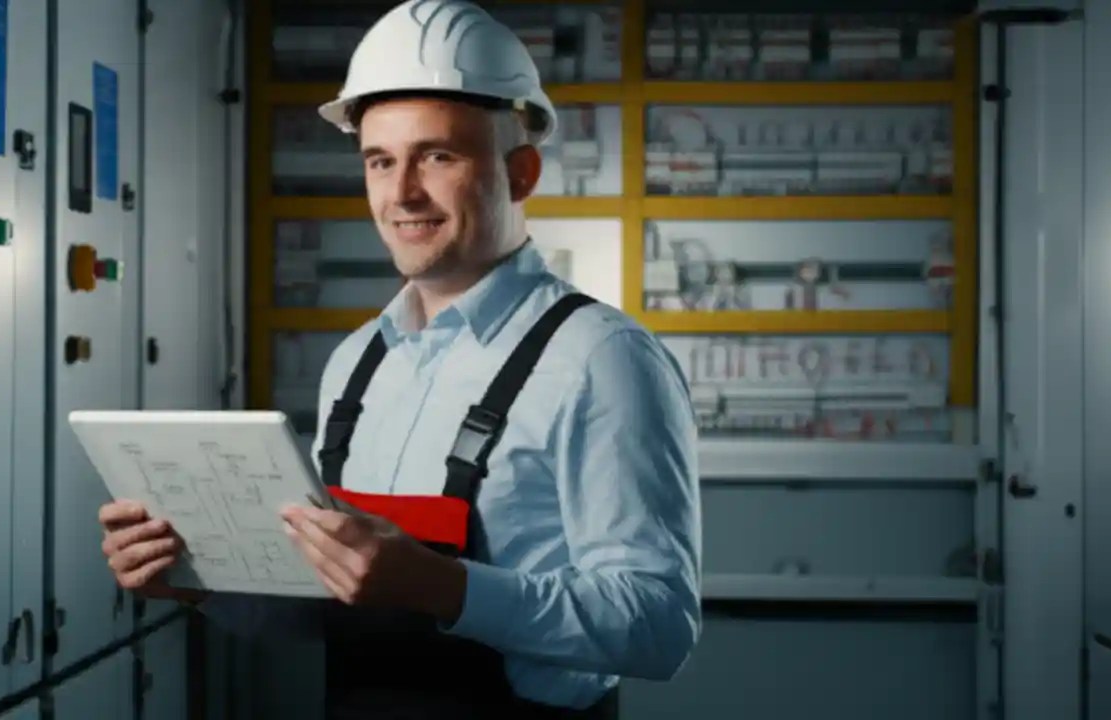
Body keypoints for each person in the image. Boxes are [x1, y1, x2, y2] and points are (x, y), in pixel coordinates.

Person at [98, 1, 702, 717]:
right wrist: (195, 581)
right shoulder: (358, 364)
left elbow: (659, 626)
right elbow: (324, 607)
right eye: (380, 161)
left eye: (438, 155)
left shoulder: (602, 360)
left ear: (523, 171)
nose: (402, 192)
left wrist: (443, 587)